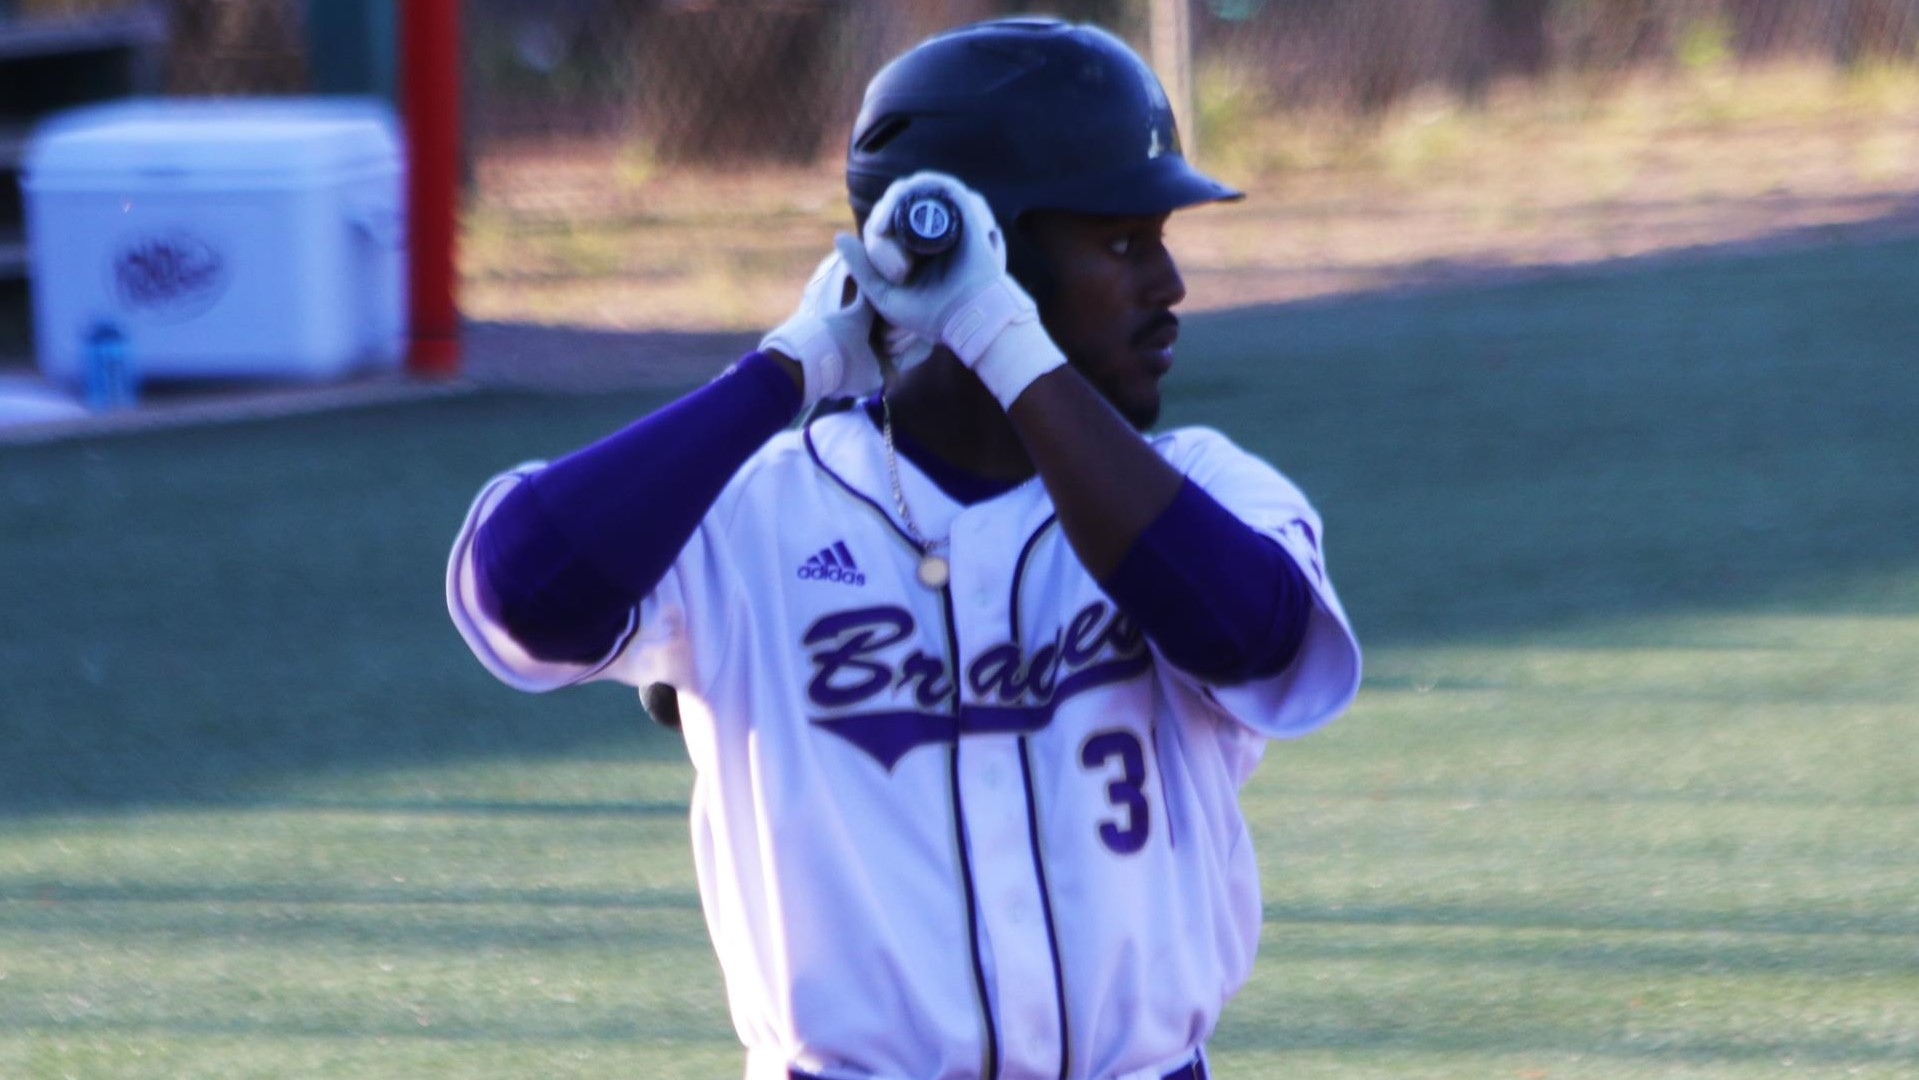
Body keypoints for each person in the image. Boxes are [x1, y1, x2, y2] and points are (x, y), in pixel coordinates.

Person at [447, 17, 1361, 1080]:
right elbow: (519, 595)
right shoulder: (756, 514)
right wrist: (784, 371)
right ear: (996, 245)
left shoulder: (1201, 489)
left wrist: (1002, 338)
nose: (1167, 287)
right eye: (1122, 243)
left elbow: (1256, 636)